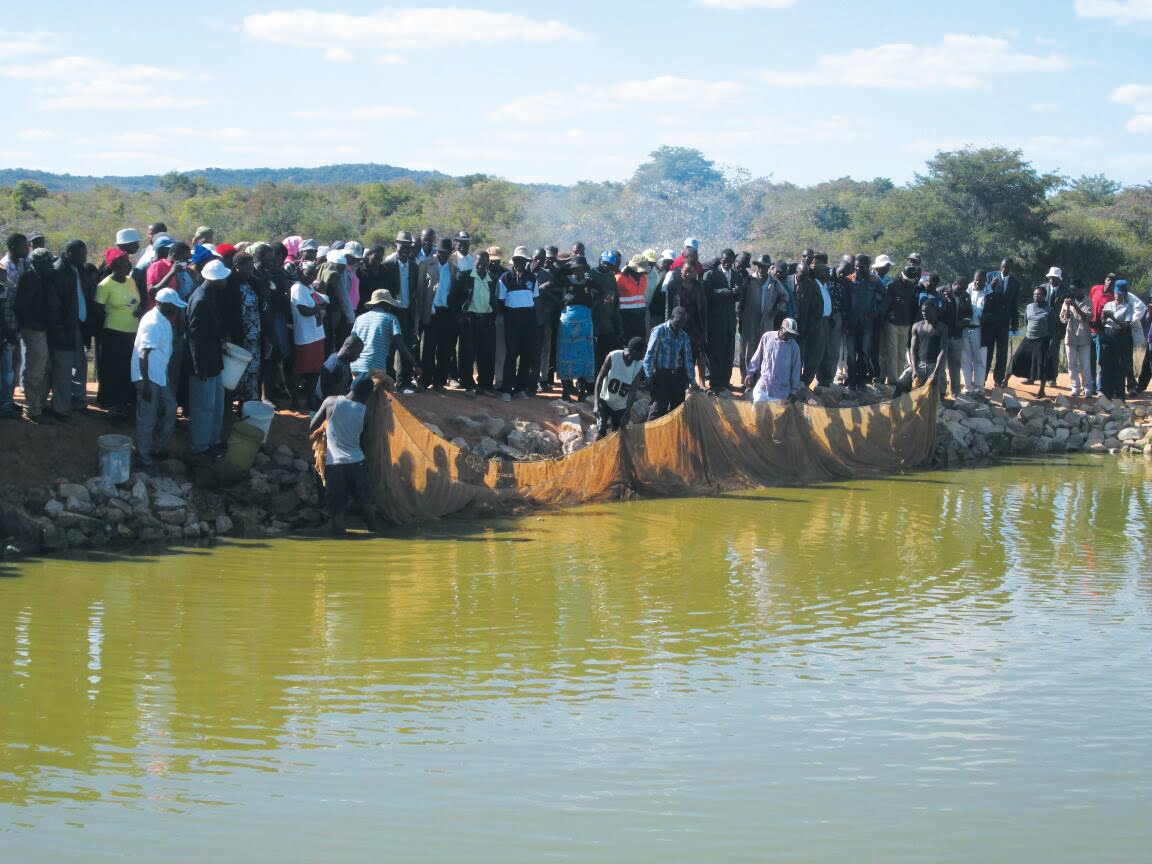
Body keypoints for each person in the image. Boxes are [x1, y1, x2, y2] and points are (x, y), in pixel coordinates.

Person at [309, 375, 381, 536]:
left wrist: (326, 426)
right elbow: (364, 441)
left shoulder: (331, 402)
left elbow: (312, 425)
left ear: (350, 387)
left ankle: (340, 541)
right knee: (365, 504)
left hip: (334, 465)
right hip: (357, 462)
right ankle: (376, 535)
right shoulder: (365, 413)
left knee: (337, 510)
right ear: (367, 396)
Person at [132, 288, 186, 469]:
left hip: (158, 375)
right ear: (162, 304)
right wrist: (145, 384)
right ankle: (144, 457)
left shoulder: (163, 320)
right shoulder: (153, 322)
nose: (176, 310)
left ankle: (156, 448)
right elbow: (143, 354)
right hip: (147, 377)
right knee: (147, 417)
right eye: (173, 307)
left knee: (170, 408)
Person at [186, 259, 230, 456]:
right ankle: (200, 446)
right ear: (216, 280)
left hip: (214, 359)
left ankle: (212, 441)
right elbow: (195, 337)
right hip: (204, 362)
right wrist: (199, 366)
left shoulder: (210, 295)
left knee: (215, 404)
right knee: (203, 407)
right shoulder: (201, 299)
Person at [93, 248, 141, 420]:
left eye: (126, 262)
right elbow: (98, 309)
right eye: (121, 262)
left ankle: (126, 402)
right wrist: (114, 315)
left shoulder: (130, 280)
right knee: (114, 369)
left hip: (132, 332)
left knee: (128, 368)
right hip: (113, 332)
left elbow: (137, 300)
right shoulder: (105, 285)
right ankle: (112, 404)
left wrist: (139, 310)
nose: (125, 265)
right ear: (113, 265)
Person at [48, 240, 91, 421]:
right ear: (70, 253)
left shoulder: (79, 270)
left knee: (80, 365)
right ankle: (60, 409)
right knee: (63, 370)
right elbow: (54, 306)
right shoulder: (58, 271)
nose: (85, 257)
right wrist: (60, 330)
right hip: (64, 327)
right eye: (81, 254)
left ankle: (78, 402)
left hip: (78, 325)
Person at [15, 248, 54, 421]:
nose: (50, 265)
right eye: (47, 262)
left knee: (44, 368)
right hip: (33, 330)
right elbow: (21, 307)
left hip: (42, 328)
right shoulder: (29, 279)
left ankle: (39, 404)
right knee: (35, 369)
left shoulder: (42, 278)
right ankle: (32, 409)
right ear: (38, 263)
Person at [418, 237, 460, 390]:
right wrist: (421, 315)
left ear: (450, 253)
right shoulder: (425, 265)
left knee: (445, 349)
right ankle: (424, 380)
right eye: (441, 252)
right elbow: (420, 291)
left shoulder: (454, 269)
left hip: (446, 313)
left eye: (446, 252)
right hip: (431, 313)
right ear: (437, 251)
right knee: (429, 348)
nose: (443, 255)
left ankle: (439, 381)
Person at [382, 231, 422, 392]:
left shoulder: (413, 266)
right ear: (396, 244)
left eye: (408, 245)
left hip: (408, 311)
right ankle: (389, 381)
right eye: (402, 245)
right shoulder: (388, 264)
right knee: (390, 347)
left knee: (405, 346)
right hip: (393, 310)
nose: (405, 248)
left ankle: (404, 381)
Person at [498, 246, 539, 401]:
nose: (519, 263)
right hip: (512, 319)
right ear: (513, 261)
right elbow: (500, 302)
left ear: (526, 262)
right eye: (517, 260)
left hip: (529, 319)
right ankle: (507, 390)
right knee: (511, 353)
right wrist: (510, 317)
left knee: (526, 355)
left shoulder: (532, 278)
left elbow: (534, 299)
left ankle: (520, 388)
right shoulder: (505, 278)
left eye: (522, 260)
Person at [351, 289, 420, 381]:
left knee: (362, 390)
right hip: (375, 369)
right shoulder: (391, 319)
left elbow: (351, 341)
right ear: (385, 304)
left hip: (355, 367)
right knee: (389, 387)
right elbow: (401, 346)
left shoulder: (359, 319)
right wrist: (415, 365)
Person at [222, 252, 262, 406]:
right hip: (238, 337)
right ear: (236, 267)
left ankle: (248, 406)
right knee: (235, 374)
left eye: (252, 269)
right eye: (247, 269)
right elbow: (228, 314)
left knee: (252, 371)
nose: (250, 272)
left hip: (254, 336)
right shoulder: (229, 285)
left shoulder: (252, 283)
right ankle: (230, 407)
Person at [643, 305, 697, 420]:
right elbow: (649, 355)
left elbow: (688, 360)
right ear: (672, 317)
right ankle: (652, 437)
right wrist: (649, 376)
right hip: (661, 376)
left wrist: (692, 381)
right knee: (657, 411)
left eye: (683, 323)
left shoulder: (684, 336)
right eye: (678, 321)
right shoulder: (659, 331)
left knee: (677, 413)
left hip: (677, 377)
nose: (680, 325)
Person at [555, 254, 597, 402]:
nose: (578, 272)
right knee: (566, 354)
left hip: (585, 324)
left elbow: (604, 293)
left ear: (585, 269)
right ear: (572, 269)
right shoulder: (565, 280)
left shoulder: (590, 282)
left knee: (583, 356)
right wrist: (559, 303)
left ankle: (581, 390)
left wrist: (592, 305)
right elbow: (546, 286)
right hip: (567, 324)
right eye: (576, 269)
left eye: (581, 269)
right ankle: (566, 391)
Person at [290, 260, 329, 409]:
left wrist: (318, 307)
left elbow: (319, 303)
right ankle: (295, 400)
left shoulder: (309, 288)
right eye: (308, 273)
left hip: (317, 334)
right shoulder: (297, 287)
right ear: (299, 273)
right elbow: (304, 310)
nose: (312, 276)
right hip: (305, 336)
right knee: (300, 370)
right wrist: (318, 308)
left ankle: (310, 398)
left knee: (314, 370)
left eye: (313, 274)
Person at [0, 233, 30, 419]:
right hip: (7, 326)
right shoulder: (4, 267)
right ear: (12, 247)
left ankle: (8, 400)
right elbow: (2, 304)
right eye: (22, 246)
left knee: (15, 366)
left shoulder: (21, 264)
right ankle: (4, 405)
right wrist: (7, 330)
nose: (26, 249)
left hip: (17, 323)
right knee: (7, 369)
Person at [702, 249, 739, 395]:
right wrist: (723, 292)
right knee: (716, 351)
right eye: (725, 260)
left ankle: (725, 382)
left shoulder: (736, 275)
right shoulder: (710, 274)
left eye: (730, 260)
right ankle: (715, 383)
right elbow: (707, 294)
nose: (727, 263)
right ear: (721, 259)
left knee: (728, 352)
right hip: (716, 321)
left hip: (730, 321)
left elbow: (737, 297)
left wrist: (737, 292)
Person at [593, 336, 645, 438]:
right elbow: (599, 379)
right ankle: (595, 454)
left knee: (618, 436)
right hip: (605, 401)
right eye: (642, 352)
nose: (643, 355)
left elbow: (632, 391)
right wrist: (596, 403)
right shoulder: (613, 357)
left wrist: (627, 412)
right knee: (600, 432)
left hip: (620, 406)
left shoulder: (639, 366)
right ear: (634, 351)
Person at [892, 300, 945, 398]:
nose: (924, 313)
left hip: (934, 365)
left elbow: (942, 351)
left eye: (927, 311)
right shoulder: (917, 326)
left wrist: (935, 373)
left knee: (939, 393)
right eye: (923, 311)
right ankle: (894, 409)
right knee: (900, 385)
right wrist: (913, 369)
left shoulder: (941, 328)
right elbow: (912, 349)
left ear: (934, 311)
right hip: (919, 364)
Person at [745, 318, 802, 403]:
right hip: (763, 387)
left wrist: (793, 392)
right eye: (788, 332)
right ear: (781, 328)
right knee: (757, 411)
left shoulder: (794, 348)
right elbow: (757, 357)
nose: (790, 335)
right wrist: (750, 373)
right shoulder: (767, 337)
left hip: (781, 393)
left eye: (792, 334)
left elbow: (796, 370)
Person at [879, 264, 918, 385]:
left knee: (901, 353)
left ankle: (900, 379)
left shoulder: (913, 288)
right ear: (902, 274)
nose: (908, 282)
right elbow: (885, 305)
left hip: (906, 324)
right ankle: (893, 380)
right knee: (892, 352)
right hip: (892, 323)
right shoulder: (892, 287)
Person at [1010, 288, 1052, 398]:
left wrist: (1047, 340)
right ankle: (1005, 381)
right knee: (1016, 357)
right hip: (1028, 338)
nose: (1036, 296)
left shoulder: (1049, 310)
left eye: (1038, 294)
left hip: (1041, 340)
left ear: (1044, 296)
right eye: (1034, 294)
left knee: (1041, 365)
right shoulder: (1029, 307)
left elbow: (1052, 327)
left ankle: (1041, 390)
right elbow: (1026, 321)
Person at [1099, 282, 1135, 401]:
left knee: (1120, 365)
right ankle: (1107, 393)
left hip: (1120, 336)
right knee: (1107, 364)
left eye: (1120, 294)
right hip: (1107, 334)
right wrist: (1104, 318)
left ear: (1124, 294)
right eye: (1116, 293)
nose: (1117, 296)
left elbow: (1126, 325)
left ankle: (1120, 394)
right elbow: (1102, 322)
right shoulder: (1108, 305)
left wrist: (1113, 317)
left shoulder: (1127, 307)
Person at [1060, 281, 1095, 398]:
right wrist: (1068, 306)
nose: (1073, 292)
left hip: (1084, 337)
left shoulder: (1088, 301)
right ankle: (1075, 388)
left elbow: (1087, 317)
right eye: (1072, 290)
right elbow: (1064, 319)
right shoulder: (1067, 302)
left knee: (1085, 365)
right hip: (1070, 337)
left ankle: (1087, 388)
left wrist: (1074, 305)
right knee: (1071, 364)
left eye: (1075, 290)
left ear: (1082, 289)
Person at [939, 278, 971, 398]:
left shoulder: (966, 296)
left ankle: (955, 392)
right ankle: (941, 391)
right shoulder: (943, 292)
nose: (962, 291)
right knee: (941, 365)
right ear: (954, 284)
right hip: (944, 336)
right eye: (960, 288)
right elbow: (939, 312)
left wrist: (963, 323)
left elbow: (969, 314)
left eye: (964, 289)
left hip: (958, 335)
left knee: (955, 366)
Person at [964, 270, 990, 396]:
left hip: (980, 330)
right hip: (966, 329)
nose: (977, 282)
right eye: (975, 280)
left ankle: (979, 388)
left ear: (985, 281)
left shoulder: (989, 293)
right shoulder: (969, 289)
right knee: (966, 359)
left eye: (980, 280)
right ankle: (968, 387)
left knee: (979, 360)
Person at [318, 334, 363, 401]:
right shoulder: (336, 366)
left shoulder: (343, 361)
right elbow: (335, 398)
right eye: (357, 353)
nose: (358, 356)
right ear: (348, 348)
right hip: (329, 405)